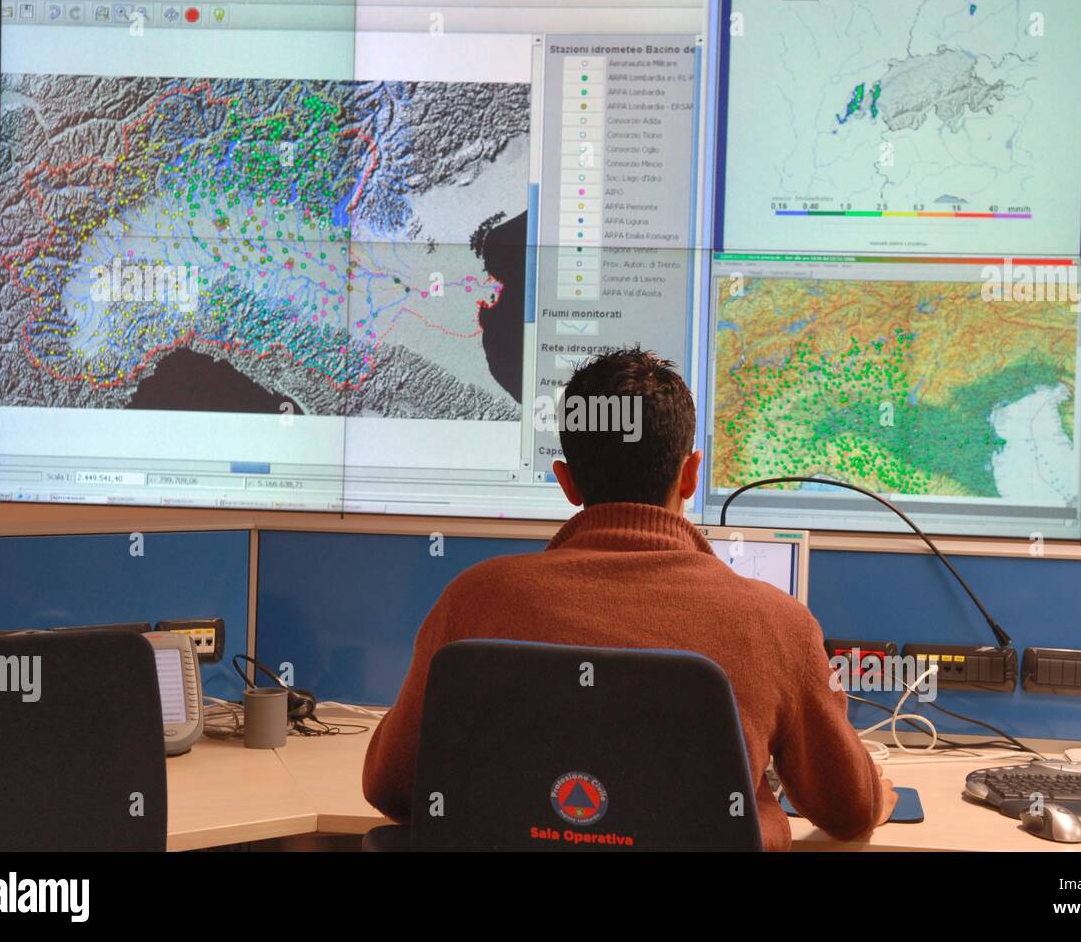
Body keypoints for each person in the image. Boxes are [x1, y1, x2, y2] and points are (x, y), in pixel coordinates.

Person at [363, 347, 896, 849]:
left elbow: (390, 787)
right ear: (690, 475)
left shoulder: (474, 600)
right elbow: (848, 811)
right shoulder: (775, 623)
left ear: (568, 483)